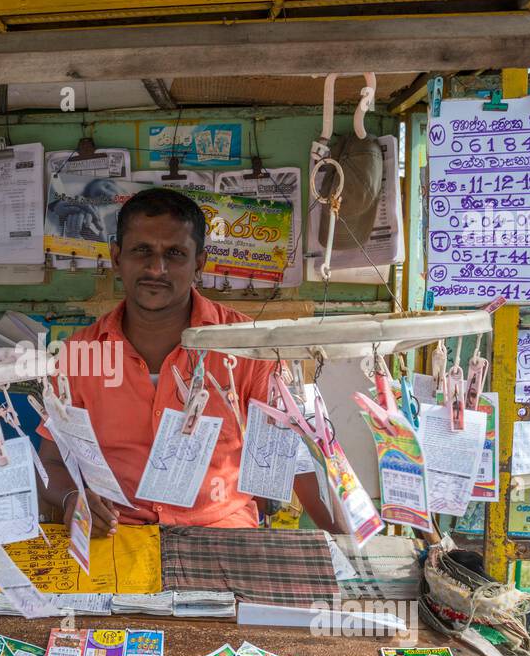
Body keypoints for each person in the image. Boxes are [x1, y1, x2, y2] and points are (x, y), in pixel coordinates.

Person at [37, 187, 338, 537]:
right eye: (141, 251)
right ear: (116, 257)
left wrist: (355, 556)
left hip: (224, 534)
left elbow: (294, 462)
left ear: (199, 263)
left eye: (175, 253)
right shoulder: (80, 354)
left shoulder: (248, 347)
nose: (156, 268)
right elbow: (52, 463)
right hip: (119, 536)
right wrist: (73, 498)